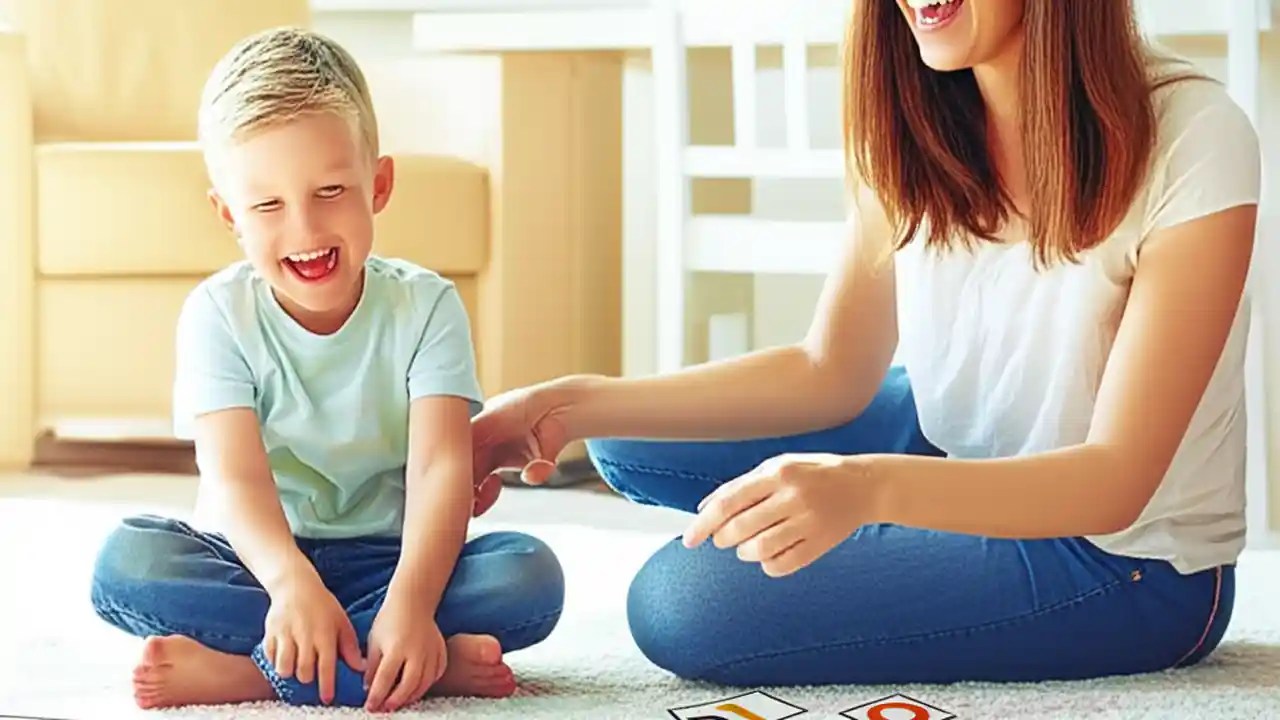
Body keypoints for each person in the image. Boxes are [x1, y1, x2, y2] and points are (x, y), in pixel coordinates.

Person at [472, 0, 1261, 686]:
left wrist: (866, 489)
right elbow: (831, 370)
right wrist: (567, 403)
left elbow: (1116, 481)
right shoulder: (920, 112)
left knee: (682, 600)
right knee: (625, 439)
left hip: (1124, 561)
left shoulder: (1194, 135)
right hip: (962, 446)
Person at [89, 27, 563, 712]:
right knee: (126, 565)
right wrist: (289, 584)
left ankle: (251, 674)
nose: (305, 229)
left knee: (527, 576)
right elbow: (236, 478)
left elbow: (439, 470)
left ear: (379, 184)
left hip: (393, 562)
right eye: (268, 206)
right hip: (256, 565)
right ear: (229, 216)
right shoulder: (216, 314)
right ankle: (412, 664)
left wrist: (411, 601)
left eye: (331, 190)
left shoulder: (426, 305)